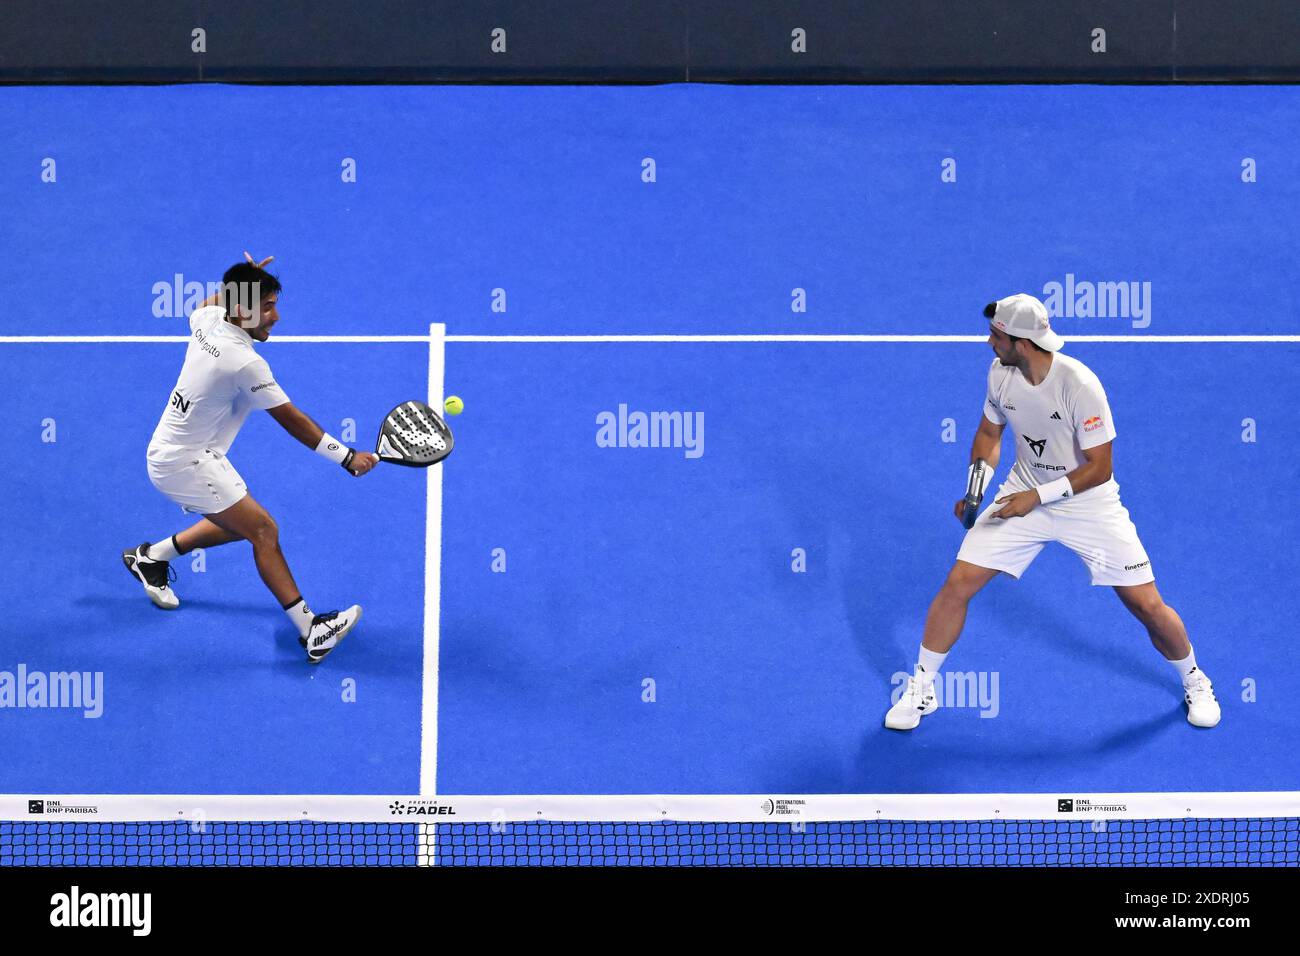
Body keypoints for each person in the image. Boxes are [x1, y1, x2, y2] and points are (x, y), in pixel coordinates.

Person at [885, 293, 1219, 730]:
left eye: (996, 335)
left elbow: (1100, 469)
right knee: (959, 582)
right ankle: (922, 687)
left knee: (1146, 605)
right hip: (1025, 488)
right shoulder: (1000, 374)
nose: (989, 342)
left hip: (1087, 503)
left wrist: (1036, 499)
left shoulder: (1079, 385)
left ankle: (1194, 678)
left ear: (1020, 341)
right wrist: (974, 492)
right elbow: (989, 432)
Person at [122, 254, 379, 663]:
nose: (276, 317)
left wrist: (245, 280)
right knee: (263, 530)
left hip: (180, 452)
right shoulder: (244, 361)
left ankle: (152, 558)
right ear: (242, 310)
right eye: (268, 307)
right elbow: (291, 420)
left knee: (239, 524)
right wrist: (347, 457)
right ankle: (311, 630)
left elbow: (211, 302)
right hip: (185, 463)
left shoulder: (209, 320)